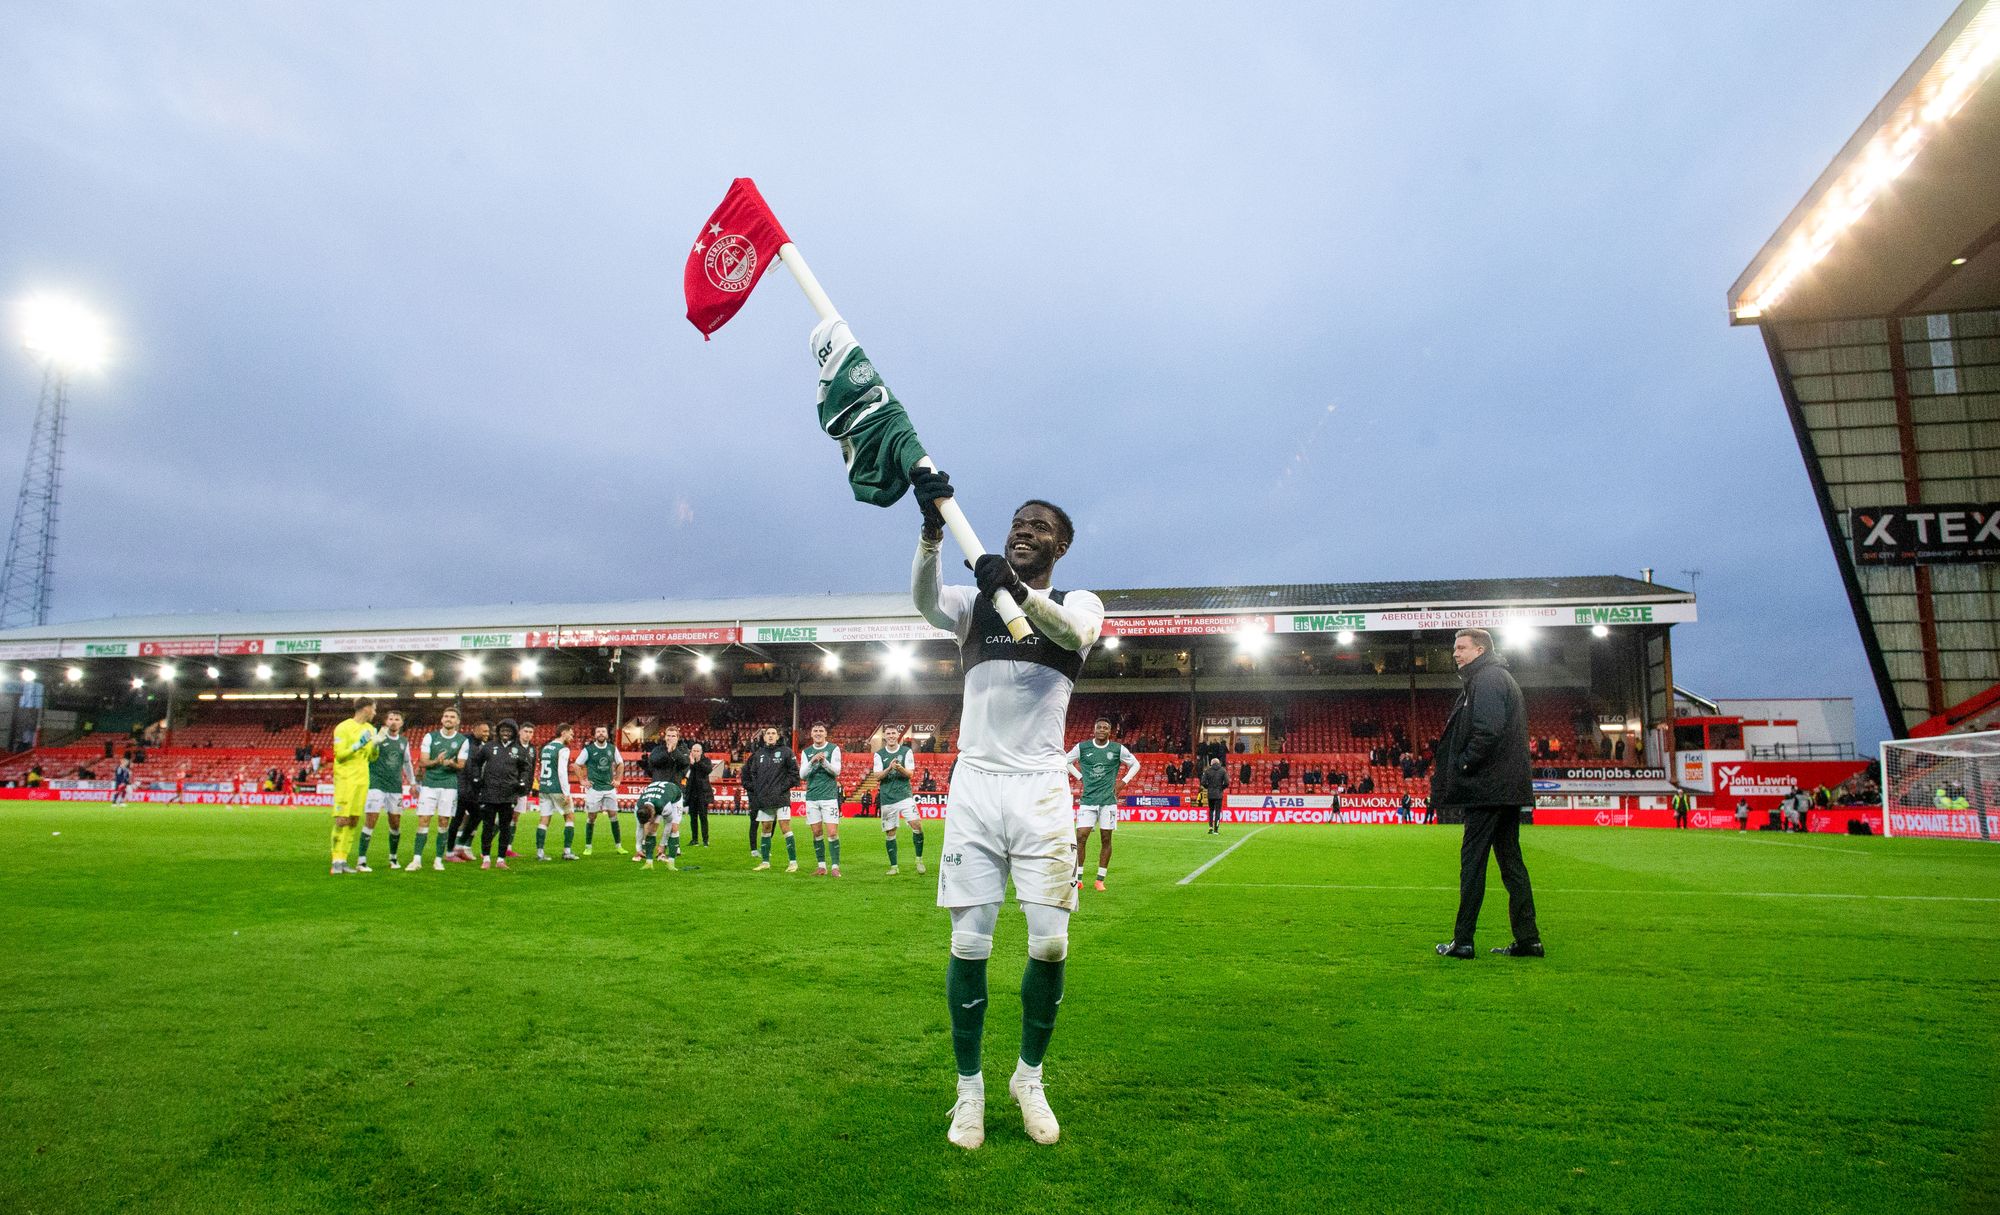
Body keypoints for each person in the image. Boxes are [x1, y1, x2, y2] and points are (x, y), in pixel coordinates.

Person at [910, 467, 1102, 1151]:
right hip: (976, 785)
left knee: (1050, 942)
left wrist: (1016, 589)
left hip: (1042, 789)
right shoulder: (973, 601)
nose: (1025, 530)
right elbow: (926, 604)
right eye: (1018, 521)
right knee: (969, 941)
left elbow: (1075, 635)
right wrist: (933, 534)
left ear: (1062, 546)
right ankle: (969, 1092)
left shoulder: (1081, 601)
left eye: (1040, 526)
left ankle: (1029, 1076)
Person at [1431, 628, 1542, 960]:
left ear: (1480, 650)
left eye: (1462, 647)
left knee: (1473, 864)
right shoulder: (1491, 678)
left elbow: (1488, 729)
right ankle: (1529, 939)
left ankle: (1463, 941)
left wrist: (1463, 765)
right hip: (1503, 788)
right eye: (1455, 648)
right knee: (1511, 865)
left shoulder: (1488, 679)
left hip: (1487, 788)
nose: (1455, 653)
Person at [1066, 718, 1140, 891]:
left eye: (1105, 728)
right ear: (1094, 730)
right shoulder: (1082, 747)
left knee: (1106, 838)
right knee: (1080, 836)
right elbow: (1066, 761)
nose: (1102, 729)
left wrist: (1123, 782)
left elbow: (1135, 764)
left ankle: (1100, 879)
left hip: (1108, 802)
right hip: (1088, 800)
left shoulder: (1117, 749)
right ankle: (1078, 878)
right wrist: (1080, 777)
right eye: (1099, 727)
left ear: (1110, 731)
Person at [407, 707, 469, 871]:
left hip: (449, 786)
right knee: (423, 821)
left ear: (457, 721)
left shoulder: (463, 740)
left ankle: (438, 860)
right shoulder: (430, 736)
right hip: (430, 784)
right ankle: (416, 859)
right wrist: (437, 761)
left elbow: (461, 766)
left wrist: (451, 764)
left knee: (443, 822)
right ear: (442, 719)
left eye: (452, 717)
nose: (448, 719)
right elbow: (422, 762)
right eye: (446, 716)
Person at [469, 719, 532, 870]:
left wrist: (522, 781)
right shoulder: (489, 747)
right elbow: (476, 762)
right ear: (498, 732)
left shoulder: (519, 750)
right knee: (487, 827)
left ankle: (501, 859)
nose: (505, 733)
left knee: (505, 827)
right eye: (503, 730)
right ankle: (486, 858)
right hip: (489, 793)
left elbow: (525, 768)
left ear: (513, 733)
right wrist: (476, 778)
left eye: (509, 731)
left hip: (508, 794)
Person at [356, 709, 414, 872]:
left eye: (397, 719)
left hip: (395, 787)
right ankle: (361, 861)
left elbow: (407, 764)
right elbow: (367, 752)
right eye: (390, 719)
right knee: (371, 820)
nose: (394, 721)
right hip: (376, 785)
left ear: (402, 723)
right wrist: (375, 741)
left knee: (395, 823)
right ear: (385, 722)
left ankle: (393, 858)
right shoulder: (378, 737)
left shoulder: (404, 741)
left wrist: (413, 782)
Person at [329, 700, 380, 875]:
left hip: (362, 779)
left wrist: (375, 746)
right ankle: (336, 860)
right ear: (365, 708)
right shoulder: (343, 727)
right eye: (373, 709)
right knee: (342, 819)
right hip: (345, 780)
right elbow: (340, 755)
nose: (375, 712)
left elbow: (372, 758)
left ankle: (343, 859)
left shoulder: (371, 730)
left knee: (353, 820)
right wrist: (358, 744)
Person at [741, 725, 800, 872]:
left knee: (784, 827)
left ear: (778, 736)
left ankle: (793, 862)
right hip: (764, 798)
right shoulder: (759, 754)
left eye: (774, 733)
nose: (771, 735)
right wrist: (758, 790)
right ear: (764, 736)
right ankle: (765, 862)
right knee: (766, 828)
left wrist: (780, 788)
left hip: (781, 798)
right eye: (768, 733)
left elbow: (794, 776)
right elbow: (752, 774)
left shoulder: (786, 752)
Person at [875, 724, 925, 876]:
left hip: (904, 796)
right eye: (888, 733)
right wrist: (889, 768)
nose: (890, 736)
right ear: (885, 736)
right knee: (890, 832)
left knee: (916, 824)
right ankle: (894, 866)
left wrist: (899, 767)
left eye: (893, 733)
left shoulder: (906, 751)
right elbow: (877, 776)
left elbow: (910, 774)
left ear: (898, 735)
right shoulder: (879, 754)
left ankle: (919, 860)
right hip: (888, 798)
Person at [799, 722, 845, 877]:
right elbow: (802, 775)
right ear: (811, 734)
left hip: (829, 797)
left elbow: (836, 771)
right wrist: (812, 761)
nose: (818, 733)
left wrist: (824, 762)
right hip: (812, 797)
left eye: (821, 731)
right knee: (817, 832)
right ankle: (821, 866)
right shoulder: (807, 752)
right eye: (815, 731)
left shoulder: (833, 749)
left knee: (832, 832)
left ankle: (835, 866)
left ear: (826, 734)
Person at [576, 724, 626, 856]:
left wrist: (618, 779)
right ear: (595, 735)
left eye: (603, 731)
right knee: (592, 817)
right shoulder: (589, 749)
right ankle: (588, 846)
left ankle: (619, 846)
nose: (601, 733)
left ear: (607, 734)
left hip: (609, 788)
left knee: (613, 816)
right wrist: (582, 780)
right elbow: (576, 765)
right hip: (594, 789)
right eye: (598, 732)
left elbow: (621, 763)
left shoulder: (612, 748)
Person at [535, 722, 580, 861]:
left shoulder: (545, 748)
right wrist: (566, 792)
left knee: (544, 819)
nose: (572, 737)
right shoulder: (563, 749)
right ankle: (567, 851)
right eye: (571, 734)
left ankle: (540, 852)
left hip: (543, 788)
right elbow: (561, 772)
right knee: (569, 816)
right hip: (557, 788)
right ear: (563, 733)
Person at [447, 720, 491, 860]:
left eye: (488, 731)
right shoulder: (466, 743)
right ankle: (449, 852)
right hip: (462, 787)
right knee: (457, 819)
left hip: (472, 788)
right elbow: (466, 767)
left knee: (477, 815)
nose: (487, 734)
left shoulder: (480, 745)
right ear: (475, 730)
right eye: (484, 731)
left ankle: (459, 847)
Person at [634, 774, 685, 870]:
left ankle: (671, 863)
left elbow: (668, 824)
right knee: (651, 829)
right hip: (657, 794)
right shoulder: (638, 806)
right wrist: (639, 849)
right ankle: (649, 863)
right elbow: (640, 827)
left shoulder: (664, 806)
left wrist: (662, 844)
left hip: (675, 796)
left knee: (674, 828)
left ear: (652, 814)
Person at [506, 723, 538, 859]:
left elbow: (531, 770)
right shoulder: (511, 746)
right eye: (526, 731)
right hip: (509, 788)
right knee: (502, 818)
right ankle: (487, 846)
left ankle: (508, 847)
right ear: (519, 732)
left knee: (515, 818)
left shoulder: (532, 749)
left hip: (523, 790)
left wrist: (528, 787)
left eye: (531, 732)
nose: (528, 734)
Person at [684, 742, 714, 848]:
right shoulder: (688, 762)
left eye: (697, 751)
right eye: (694, 750)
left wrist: (695, 763)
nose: (695, 753)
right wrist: (691, 764)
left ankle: (705, 840)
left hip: (703, 794)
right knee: (693, 818)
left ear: (701, 752)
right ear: (691, 751)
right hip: (692, 794)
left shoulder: (706, 761)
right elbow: (685, 775)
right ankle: (694, 839)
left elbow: (707, 770)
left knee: (703, 817)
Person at [1200, 757, 1228, 833]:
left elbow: (1202, 782)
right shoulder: (1223, 770)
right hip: (1219, 794)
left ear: (1211, 763)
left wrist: (1208, 787)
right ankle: (1216, 830)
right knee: (1218, 811)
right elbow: (1227, 783)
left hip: (1211, 794)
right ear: (1218, 763)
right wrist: (1221, 788)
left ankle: (1210, 828)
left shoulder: (1207, 771)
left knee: (1211, 810)